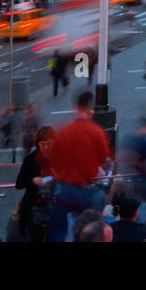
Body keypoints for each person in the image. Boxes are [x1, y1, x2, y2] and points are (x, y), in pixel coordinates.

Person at [47, 92, 113, 242]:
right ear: (92, 109)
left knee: (58, 231)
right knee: (91, 229)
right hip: (86, 188)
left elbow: (53, 161)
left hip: (64, 188)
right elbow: (102, 158)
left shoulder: (62, 132)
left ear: (75, 107)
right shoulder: (96, 132)